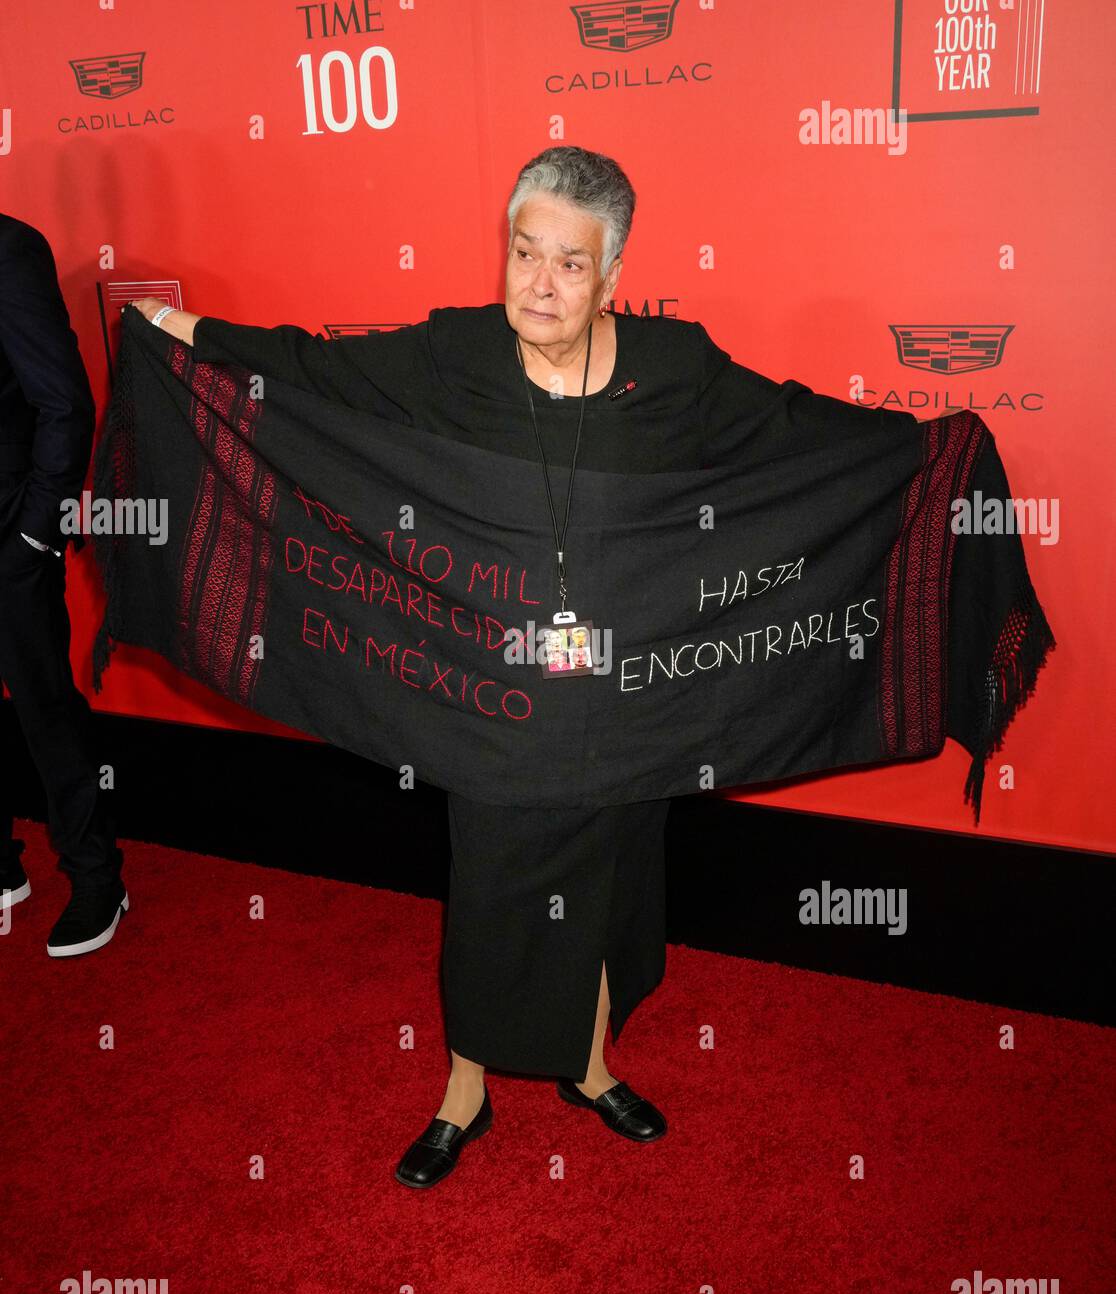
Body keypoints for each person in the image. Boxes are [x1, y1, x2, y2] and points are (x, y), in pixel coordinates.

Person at [129, 145, 937, 1188]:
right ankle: (465, 1089)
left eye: (569, 264)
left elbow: (791, 429)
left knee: (610, 879)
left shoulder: (676, 369)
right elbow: (310, 366)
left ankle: (591, 1065)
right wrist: (177, 332)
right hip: (489, 694)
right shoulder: (456, 356)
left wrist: (921, 450)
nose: (540, 284)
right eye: (524, 253)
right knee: (492, 888)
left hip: (634, 694)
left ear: (611, 279)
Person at [0, 213, 128, 957]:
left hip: (8, 534)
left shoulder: (9, 249)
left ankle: (96, 877)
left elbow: (63, 400)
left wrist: (32, 533)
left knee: (44, 704)